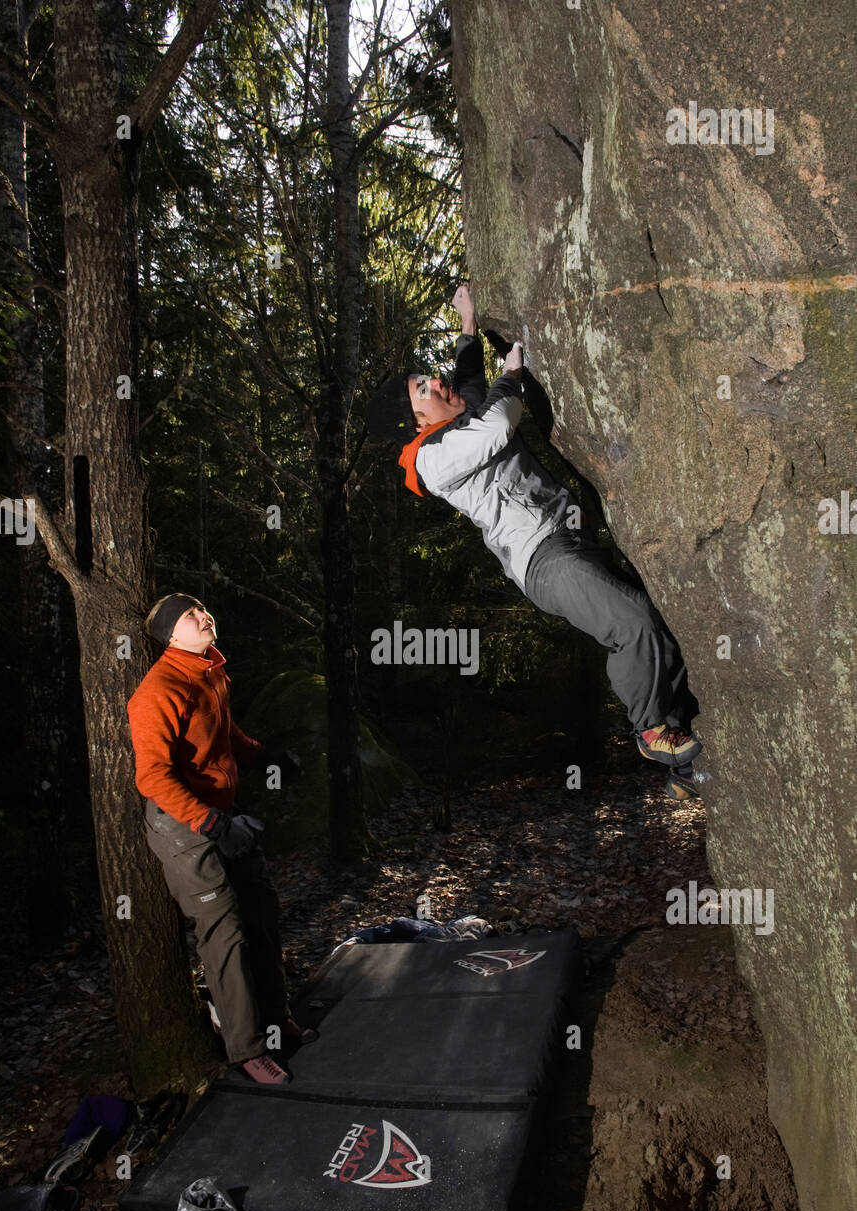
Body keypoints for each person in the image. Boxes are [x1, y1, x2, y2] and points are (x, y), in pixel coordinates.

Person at [366, 284, 702, 790]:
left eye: (428, 376)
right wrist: (514, 374)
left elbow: (471, 387)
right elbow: (499, 421)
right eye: (423, 388)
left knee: (652, 619)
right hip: (544, 560)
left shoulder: (456, 423)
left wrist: (467, 325)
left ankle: (680, 763)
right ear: (416, 422)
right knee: (631, 623)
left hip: (568, 538)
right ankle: (651, 730)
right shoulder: (432, 461)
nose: (436, 382)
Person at [126, 593, 311, 1085]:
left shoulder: (210, 671)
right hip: (181, 824)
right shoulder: (157, 691)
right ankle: (247, 1050)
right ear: (171, 635)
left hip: (221, 813)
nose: (205, 616)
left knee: (262, 910)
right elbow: (153, 778)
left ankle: (275, 1020)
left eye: (205, 609)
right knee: (224, 929)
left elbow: (224, 734)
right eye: (191, 615)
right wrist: (210, 824)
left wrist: (264, 756)